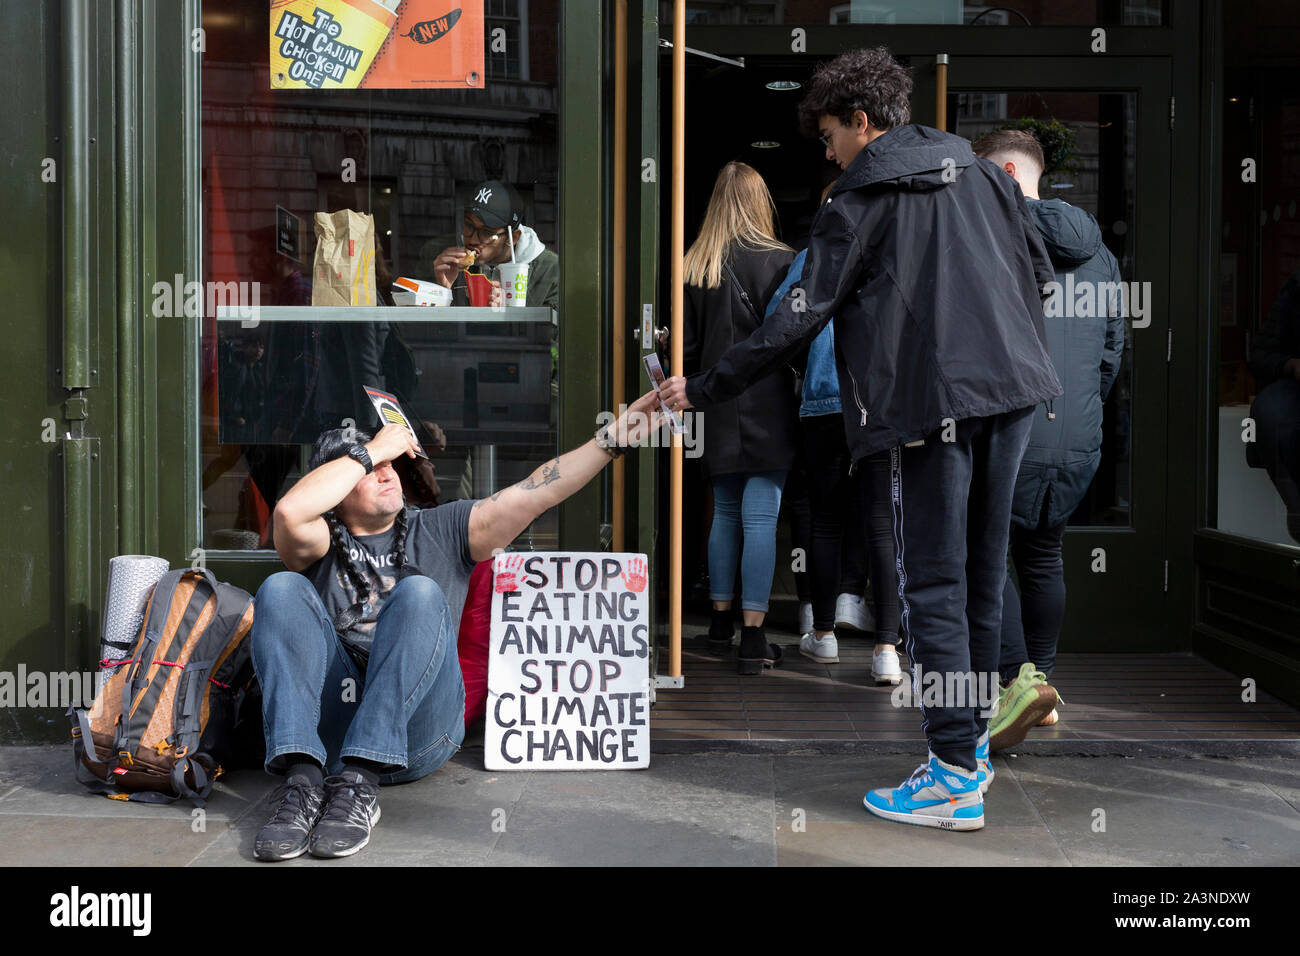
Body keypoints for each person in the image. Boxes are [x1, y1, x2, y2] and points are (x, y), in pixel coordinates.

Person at [659, 46, 1061, 831]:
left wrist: (703, 387)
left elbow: (796, 316)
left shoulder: (862, 197)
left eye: (831, 134)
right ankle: (968, 749)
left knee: (932, 586)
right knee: (981, 580)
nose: (828, 149)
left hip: (926, 407)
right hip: (1014, 394)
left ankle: (950, 774)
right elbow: (1040, 274)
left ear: (862, 122)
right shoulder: (982, 175)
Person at [250, 389, 661, 861]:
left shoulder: (444, 529)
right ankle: (301, 784)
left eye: (388, 464)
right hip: (331, 733)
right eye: (366, 470)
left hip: (417, 735)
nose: (386, 471)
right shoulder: (316, 542)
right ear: (337, 491)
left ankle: (361, 786)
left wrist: (613, 439)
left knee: (419, 592)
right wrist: (377, 449)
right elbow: (288, 510)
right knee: (280, 589)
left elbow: (538, 489)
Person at [971, 129, 1125, 749]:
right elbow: (1113, 353)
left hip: (1012, 428)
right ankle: (1046, 688)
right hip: (1077, 435)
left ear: (1007, 172)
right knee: (1042, 555)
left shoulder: (995, 239)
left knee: (986, 555)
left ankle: (1017, 683)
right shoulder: (1102, 256)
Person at [682, 162, 798, 675]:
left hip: (711, 399)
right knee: (761, 520)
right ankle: (754, 636)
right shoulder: (783, 261)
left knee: (724, 513)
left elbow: (685, 349)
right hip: (769, 401)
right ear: (759, 203)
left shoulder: (693, 264)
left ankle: (720, 622)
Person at [769, 242, 902, 684]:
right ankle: (886, 649)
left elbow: (779, 318)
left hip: (824, 400)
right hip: (882, 403)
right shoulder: (896, 245)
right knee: (882, 523)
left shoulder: (815, 254)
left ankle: (822, 634)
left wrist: (808, 363)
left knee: (825, 521)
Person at [1247, 269, 1300, 544]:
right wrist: (1291, 365)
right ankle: (1297, 510)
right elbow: (1259, 356)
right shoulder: (1295, 291)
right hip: (1295, 390)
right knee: (1269, 411)